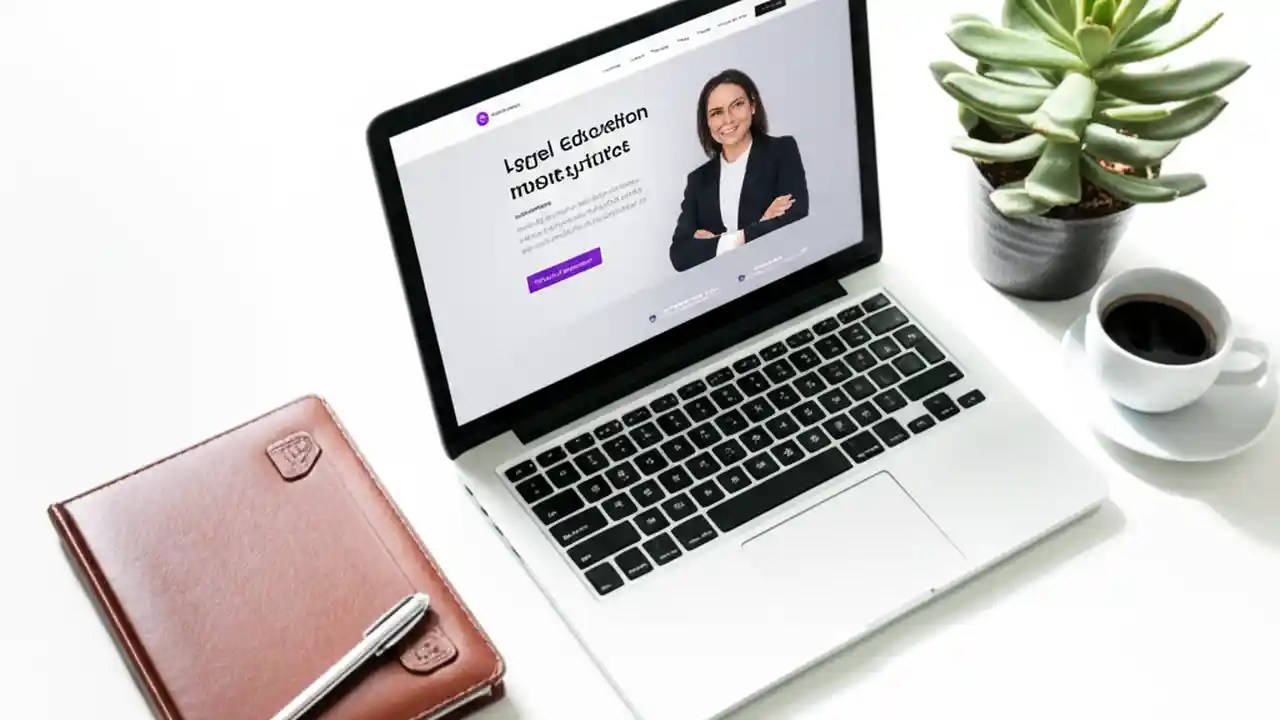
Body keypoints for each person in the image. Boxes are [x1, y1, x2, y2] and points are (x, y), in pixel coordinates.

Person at [669, 69, 809, 272]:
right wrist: (753, 229)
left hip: (779, 275)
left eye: (737, 105)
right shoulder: (698, 181)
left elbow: (793, 220)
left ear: (752, 105)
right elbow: (680, 255)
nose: (728, 119)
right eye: (716, 113)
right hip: (724, 290)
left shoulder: (782, 150)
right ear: (707, 123)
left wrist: (717, 243)